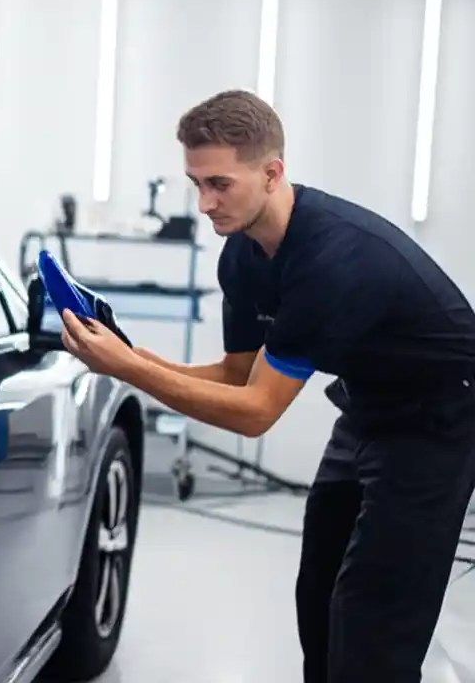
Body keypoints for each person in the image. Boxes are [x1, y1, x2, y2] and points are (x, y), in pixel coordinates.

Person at [59, 89, 475, 683]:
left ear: (273, 173)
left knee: (374, 617)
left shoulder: (331, 259)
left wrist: (128, 369)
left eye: (220, 184)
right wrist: (133, 356)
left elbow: (255, 412)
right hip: (367, 407)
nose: (205, 203)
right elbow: (237, 375)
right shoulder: (243, 257)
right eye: (196, 183)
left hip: (443, 420)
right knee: (319, 596)